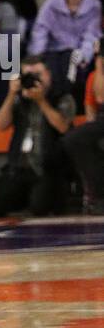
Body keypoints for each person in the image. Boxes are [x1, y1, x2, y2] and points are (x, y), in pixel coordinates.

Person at [0, 58, 74, 216]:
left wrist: (42, 101)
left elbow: (63, 127)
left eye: (38, 74)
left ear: (48, 75)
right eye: (28, 75)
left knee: (39, 208)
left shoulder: (62, 96)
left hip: (48, 167)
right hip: (20, 166)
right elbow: (1, 125)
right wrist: (11, 94)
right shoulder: (19, 98)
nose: (34, 79)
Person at [27, 0, 101, 95]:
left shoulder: (94, 5)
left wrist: (84, 56)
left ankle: (69, 103)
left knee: (72, 64)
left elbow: (92, 35)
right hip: (53, 49)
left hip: (78, 51)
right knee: (52, 69)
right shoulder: (51, 4)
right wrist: (37, 56)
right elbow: (41, 30)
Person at [61, 47, 104, 214]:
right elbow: (92, 113)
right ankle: (98, 195)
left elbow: (101, 97)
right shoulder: (95, 77)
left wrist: (99, 62)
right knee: (76, 139)